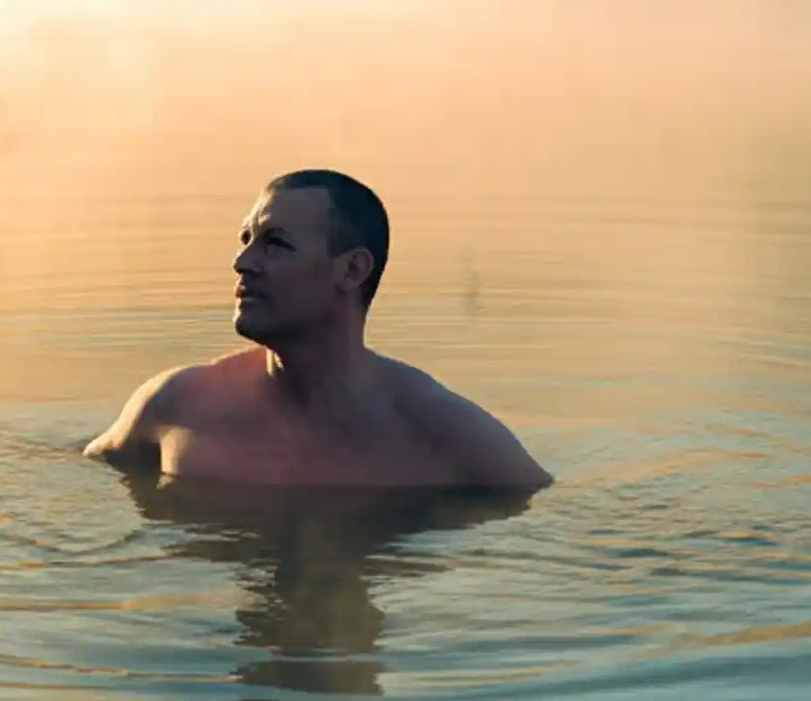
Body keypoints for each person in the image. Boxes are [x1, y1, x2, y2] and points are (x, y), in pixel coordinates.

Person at [84, 169, 552, 489]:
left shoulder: (441, 432)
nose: (242, 262)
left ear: (351, 270)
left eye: (274, 244)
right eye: (246, 239)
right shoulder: (177, 405)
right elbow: (89, 479)